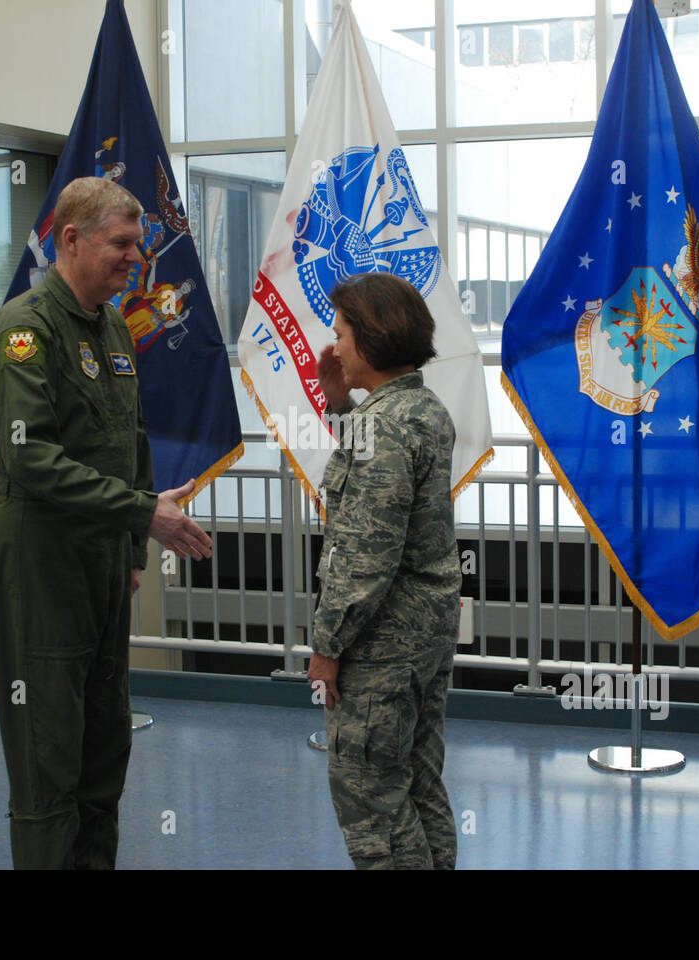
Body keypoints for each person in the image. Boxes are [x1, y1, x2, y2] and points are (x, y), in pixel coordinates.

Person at [0, 176, 212, 870]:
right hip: (44, 563)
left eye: (138, 245)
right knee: (49, 755)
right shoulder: (24, 329)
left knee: (104, 744)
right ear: (70, 239)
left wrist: (135, 537)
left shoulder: (111, 322)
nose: (136, 258)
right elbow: (31, 458)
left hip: (104, 558)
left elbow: (126, 437)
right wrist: (145, 513)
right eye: (122, 244)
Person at [307, 272, 462, 870]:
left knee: (370, 791)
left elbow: (365, 555)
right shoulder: (418, 409)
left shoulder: (385, 425)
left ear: (371, 340)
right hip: (424, 632)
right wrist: (339, 406)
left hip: (382, 642)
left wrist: (327, 645)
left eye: (342, 333)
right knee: (418, 784)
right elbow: (381, 469)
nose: (336, 346)